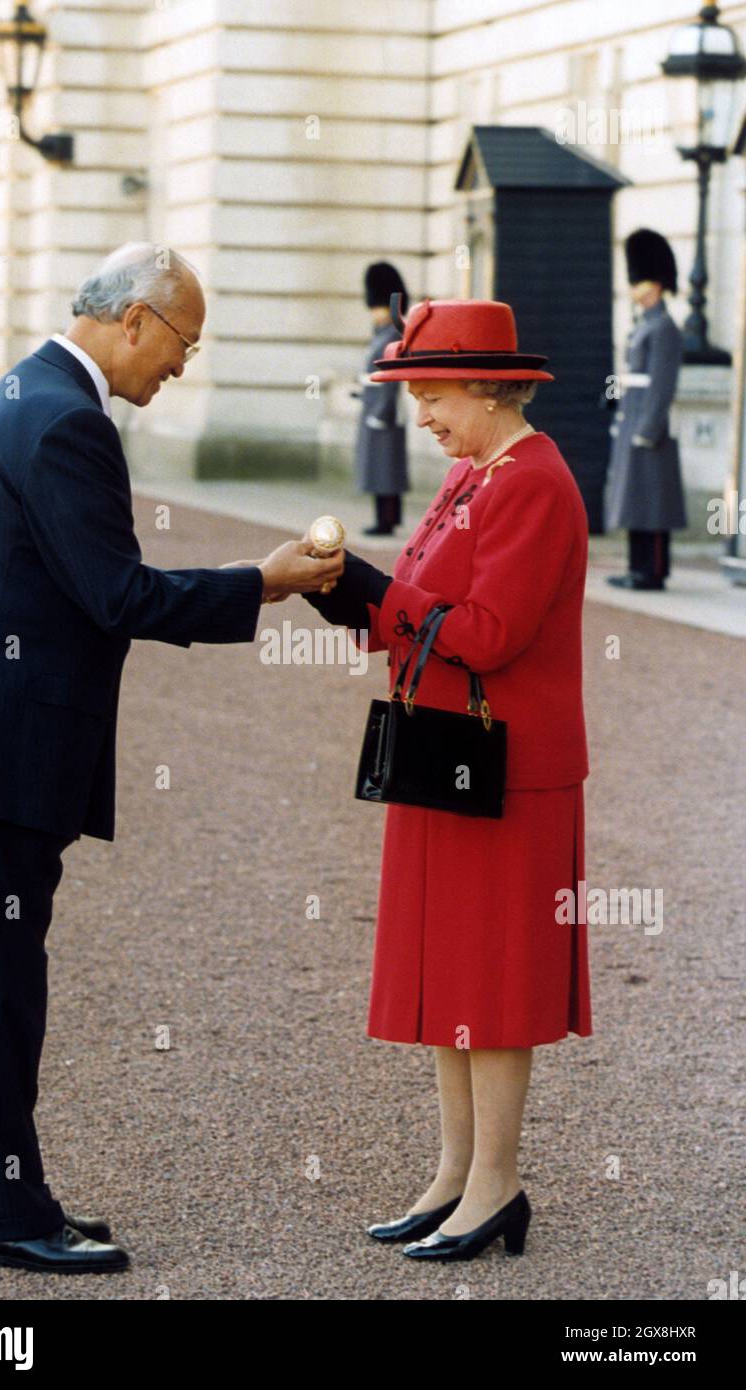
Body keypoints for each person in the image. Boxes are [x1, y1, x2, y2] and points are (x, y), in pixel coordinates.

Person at [0, 242, 342, 1276]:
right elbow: (118, 596)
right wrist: (257, 580)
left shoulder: (21, 389)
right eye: (183, 342)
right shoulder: (67, 419)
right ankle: (2, 1215)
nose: (183, 366)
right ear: (134, 319)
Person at [303, 298, 592, 1263]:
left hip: (507, 768)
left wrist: (381, 593)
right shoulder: (479, 472)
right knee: (451, 967)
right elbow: (432, 603)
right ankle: (457, 1173)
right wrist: (352, 588)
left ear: (486, 388)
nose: (420, 415)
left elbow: (488, 634)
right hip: (451, 751)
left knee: (496, 977)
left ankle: (498, 1183)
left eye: (431, 396)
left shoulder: (534, 482)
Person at [605, 228, 687, 590]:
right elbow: (629, 375)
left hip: (648, 427)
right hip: (632, 420)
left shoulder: (665, 328)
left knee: (652, 503)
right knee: (636, 500)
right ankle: (638, 567)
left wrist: (648, 429)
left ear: (653, 284)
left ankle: (652, 569)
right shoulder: (644, 327)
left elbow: (663, 383)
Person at [354, 262, 410, 536]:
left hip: (383, 411)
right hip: (373, 405)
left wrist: (382, 412)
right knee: (379, 467)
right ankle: (386, 518)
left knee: (385, 469)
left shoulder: (393, 335)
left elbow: (391, 377)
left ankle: (386, 521)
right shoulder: (382, 334)